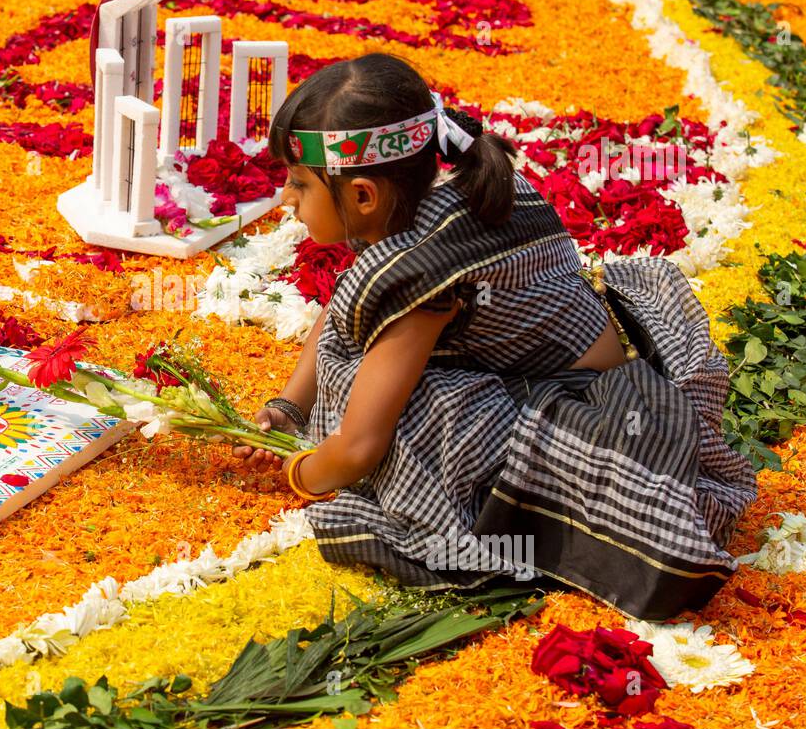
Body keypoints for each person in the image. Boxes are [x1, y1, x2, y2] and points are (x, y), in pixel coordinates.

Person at [234, 52, 756, 622]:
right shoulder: (451, 193)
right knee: (363, 356)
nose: (288, 200)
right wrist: (289, 407)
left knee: (401, 404)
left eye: (299, 185)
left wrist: (298, 468)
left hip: (579, 417)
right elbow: (341, 310)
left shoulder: (423, 274)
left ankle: (506, 503)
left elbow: (360, 447)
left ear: (363, 195)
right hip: (583, 370)